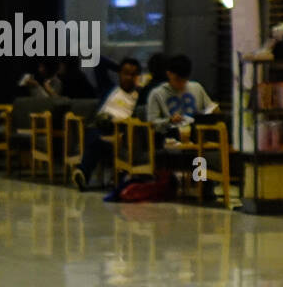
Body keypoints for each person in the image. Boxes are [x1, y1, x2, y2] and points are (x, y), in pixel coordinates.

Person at [70, 56, 141, 190]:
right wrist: (118, 67)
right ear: (120, 74)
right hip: (100, 128)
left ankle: (115, 175)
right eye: (125, 73)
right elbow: (99, 61)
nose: (129, 78)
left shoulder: (139, 95)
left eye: (133, 74)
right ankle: (82, 174)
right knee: (95, 136)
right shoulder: (109, 88)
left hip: (122, 134)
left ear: (137, 77)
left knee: (101, 140)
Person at [147, 54, 218, 137]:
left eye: (184, 80)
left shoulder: (196, 87)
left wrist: (213, 110)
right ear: (169, 74)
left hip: (196, 132)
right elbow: (152, 123)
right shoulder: (157, 93)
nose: (181, 84)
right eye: (177, 79)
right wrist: (169, 120)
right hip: (170, 135)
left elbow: (210, 108)